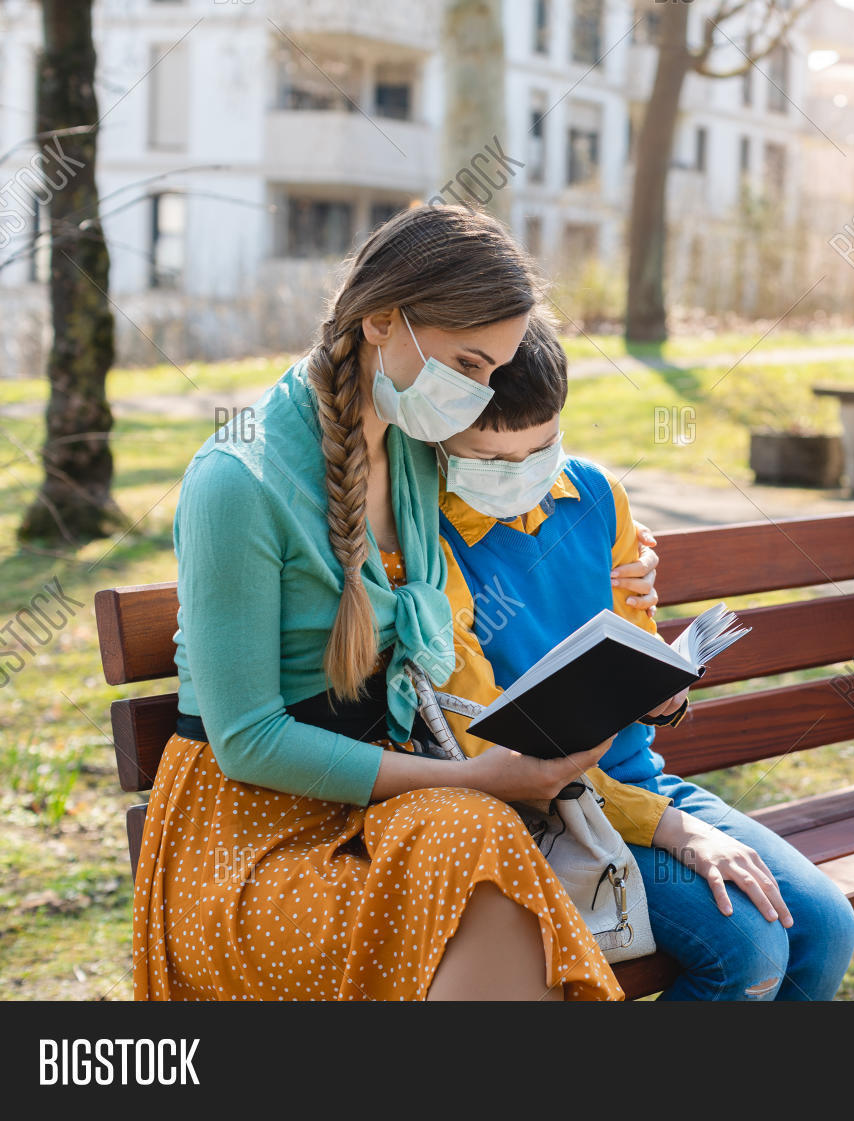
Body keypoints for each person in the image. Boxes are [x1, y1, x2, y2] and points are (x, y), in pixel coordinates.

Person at [135, 205, 661, 1001]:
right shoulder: (236, 483)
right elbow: (248, 741)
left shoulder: (413, 442)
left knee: (482, 846)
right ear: (382, 321)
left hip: (386, 798)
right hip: (250, 832)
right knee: (480, 833)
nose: (481, 396)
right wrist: (482, 780)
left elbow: (527, 491)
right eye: (470, 363)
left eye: (495, 371)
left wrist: (630, 555)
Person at [434, 315, 854, 1001]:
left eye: (541, 451)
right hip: (549, 813)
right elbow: (487, 744)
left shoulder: (596, 494)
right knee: (749, 952)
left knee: (827, 928)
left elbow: (633, 640)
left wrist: (663, 690)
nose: (522, 480)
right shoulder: (430, 537)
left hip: (640, 782)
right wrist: (674, 830)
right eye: (490, 462)